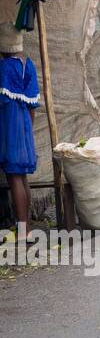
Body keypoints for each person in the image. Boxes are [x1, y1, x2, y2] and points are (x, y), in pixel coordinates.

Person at [0, 23, 40, 244]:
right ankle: (27, 227)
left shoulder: (4, 68)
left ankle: (23, 229)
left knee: (14, 175)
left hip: (9, 123)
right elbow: (33, 103)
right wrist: (27, 129)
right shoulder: (28, 65)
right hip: (24, 121)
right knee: (22, 175)